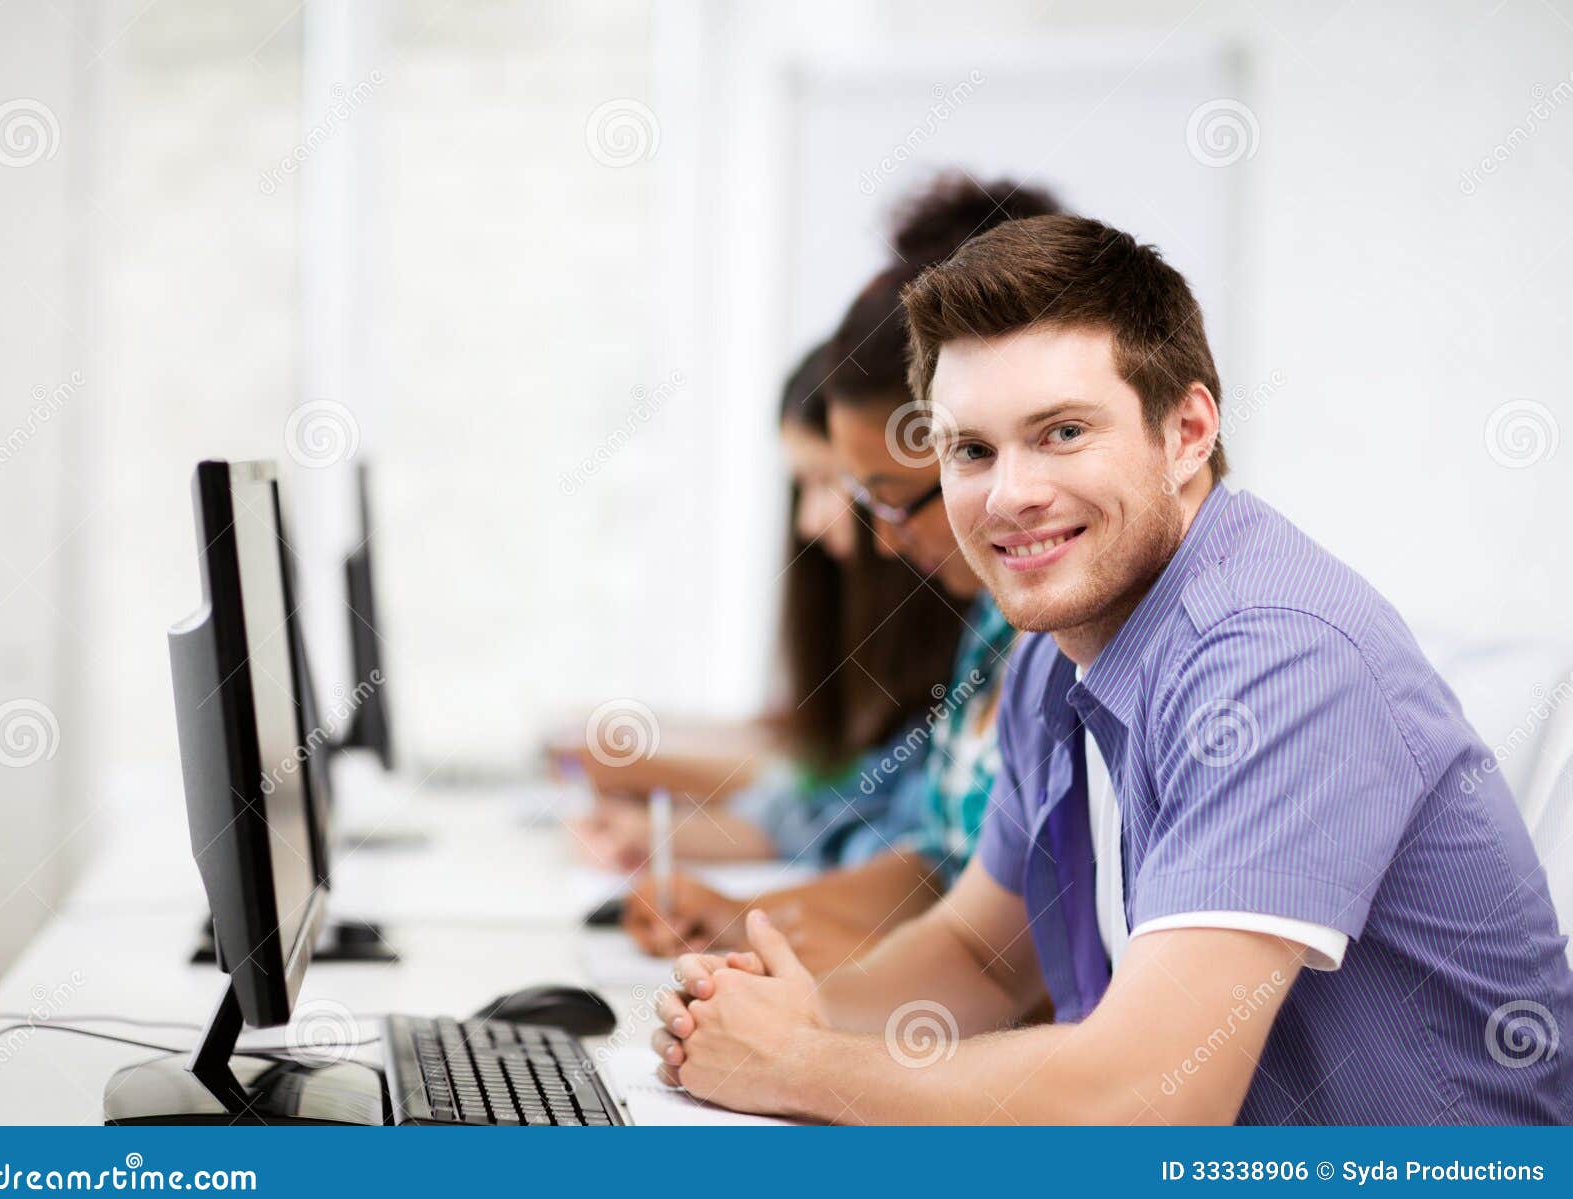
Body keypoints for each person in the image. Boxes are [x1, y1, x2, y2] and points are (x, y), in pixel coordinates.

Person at [650, 213, 1573, 1124]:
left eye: (1061, 433)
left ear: (1187, 432)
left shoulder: (1278, 656)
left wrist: (806, 1069)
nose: (1010, 495)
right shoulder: (1056, 653)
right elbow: (980, 954)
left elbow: (1152, 1100)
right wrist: (783, 1018)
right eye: (972, 450)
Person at [623, 174, 1063, 971]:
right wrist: (752, 927)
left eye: (876, 498)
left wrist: (801, 1019)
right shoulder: (998, 622)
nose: (863, 535)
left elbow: (1024, 967)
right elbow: (945, 878)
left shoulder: (1082, 641)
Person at [572, 342, 968, 872]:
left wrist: (665, 811)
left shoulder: (971, 640)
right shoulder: (893, 642)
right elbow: (827, 787)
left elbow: (903, 847)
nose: (808, 522)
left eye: (827, 481)